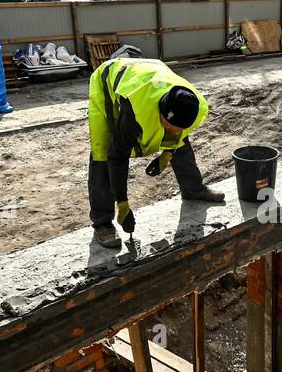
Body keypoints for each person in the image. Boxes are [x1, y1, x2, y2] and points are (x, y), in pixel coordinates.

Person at [88, 53, 224, 248]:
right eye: (169, 124)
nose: (173, 131)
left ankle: (193, 189)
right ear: (161, 110)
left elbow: (178, 133)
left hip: (150, 71)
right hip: (110, 81)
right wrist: (123, 203)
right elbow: (117, 157)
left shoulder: (196, 105)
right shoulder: (136, 109)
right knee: (102, 152)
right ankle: (102, 222)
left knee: (182, 142)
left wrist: (167, 154)